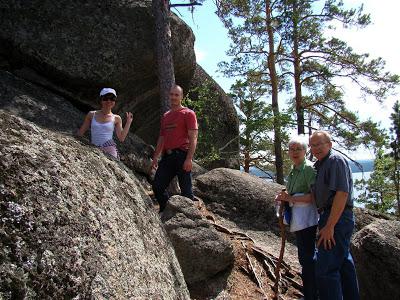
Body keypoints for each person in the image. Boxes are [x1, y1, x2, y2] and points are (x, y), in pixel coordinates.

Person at [310, 130, 359, 300]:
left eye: (319, 144)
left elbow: (342, 194)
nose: (316, 148)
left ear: (329, 144)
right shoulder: (320, 164)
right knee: (343, 264)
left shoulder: (335, 160)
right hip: (332, 216)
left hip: (336, 218)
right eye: (313, 145)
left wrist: (330, 226)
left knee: (326, 269)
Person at [276, 135, 318, 300]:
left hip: (307, 218)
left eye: (298, 149)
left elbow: (313, 197)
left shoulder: (308, 169)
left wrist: (290, 199)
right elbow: (291, 194)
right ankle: (310, 293)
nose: (294, 152)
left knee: (308, 257)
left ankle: (312, 295)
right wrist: (283, 197)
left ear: (305, 151)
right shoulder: (294, 170)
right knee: (305, 256)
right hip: (299, 219)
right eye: (291, 149)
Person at [151, 84, 198, 212]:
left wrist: (189, 159)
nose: (173, 97)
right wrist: (156, 157)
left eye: (176, 95)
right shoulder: (166, 116)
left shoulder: (188, 113)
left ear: (181, 97)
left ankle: (192, 222)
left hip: (182, 155)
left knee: (187, 193)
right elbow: (162, 138)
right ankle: (166, 211)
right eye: (171, 94)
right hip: (167, 157)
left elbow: (193, 137)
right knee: (157, 186)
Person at [77, 88, 133, 159]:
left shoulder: (117, 118)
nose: (109, 101)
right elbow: (81, 132)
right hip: (94, 148)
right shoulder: (91, 114)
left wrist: (128, 122)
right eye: (106, 98)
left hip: (109, 149)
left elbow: (121, 138)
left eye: (112, 99)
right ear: (101, 100)